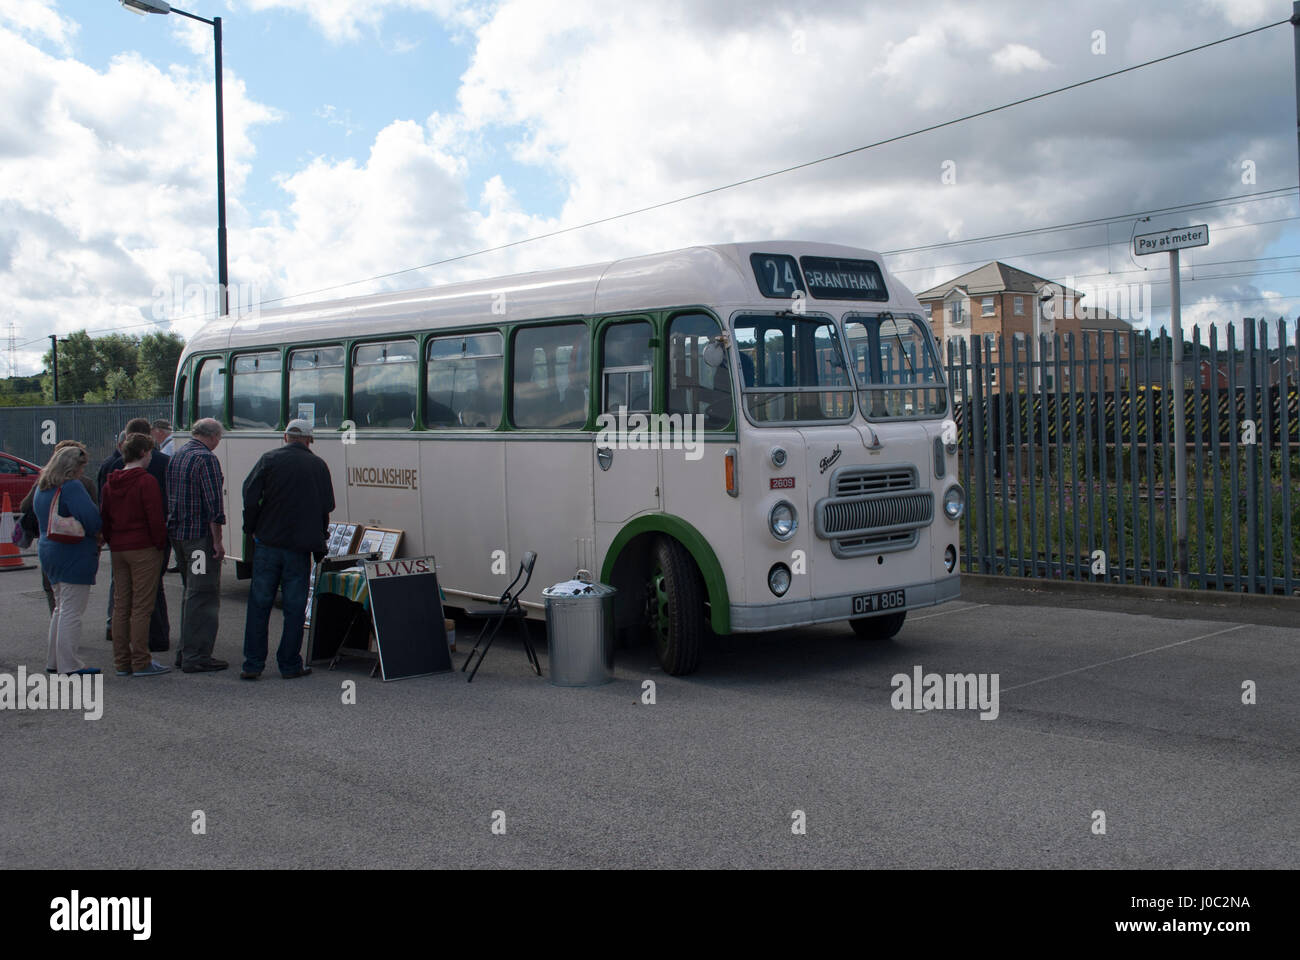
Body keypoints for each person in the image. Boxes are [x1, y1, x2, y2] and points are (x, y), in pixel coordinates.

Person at [240, 419, 335, 680]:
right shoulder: (318, 465)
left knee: (259, 604)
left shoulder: (268, 460)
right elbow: (325, 507)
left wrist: (252, 528)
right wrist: (320, 538)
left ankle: (253, 664)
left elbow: (249, 495)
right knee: (294, 608)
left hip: (268, 543)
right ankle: (290, 664)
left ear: (285, 436)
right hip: (299, 548)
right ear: (309, 440)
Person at [100, 433, 169, 677]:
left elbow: (105, 518)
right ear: (143, 453)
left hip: (119, 547)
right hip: (143, 547)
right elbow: (155, 517)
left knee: (121, 606)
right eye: (149, 452)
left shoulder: (111, 483)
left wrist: (112, 540)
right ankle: (141, 660)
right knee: (142, 606)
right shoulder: (146, 481)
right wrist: (159, 543)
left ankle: (122, 661)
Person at [33, 444, 102, 675]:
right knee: (72, 610)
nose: (83, 471)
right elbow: (92, 519)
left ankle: (55, 661)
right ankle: (69, 665)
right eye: (82, 466)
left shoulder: (43, 486)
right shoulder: (71, 486)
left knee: (60, 608)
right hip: (73, 552)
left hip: (48, 549)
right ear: (73, 466)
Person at [166, 418, 228, 673]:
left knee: (190, 593)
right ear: (212, 436)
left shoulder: (179, 455)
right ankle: (197, 655)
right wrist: (218, 541)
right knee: (203, 596)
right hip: (199, 540)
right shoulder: (207, 459)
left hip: (179, 535)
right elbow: (214, 506)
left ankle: (185, 651)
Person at [20, 440, 97, 614]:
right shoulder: (80, 484)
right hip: (76, 548)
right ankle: (63, 636)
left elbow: (25, 506)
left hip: (47, 544)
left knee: (55, 599)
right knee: (70, 611)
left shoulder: (43, 482)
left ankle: (55, 624)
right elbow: (93, 518)